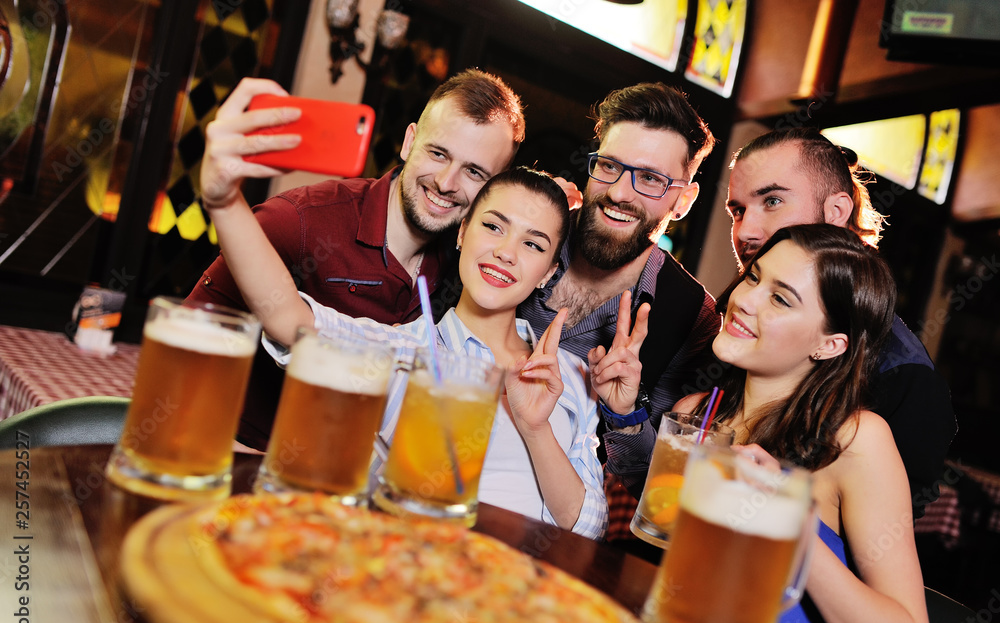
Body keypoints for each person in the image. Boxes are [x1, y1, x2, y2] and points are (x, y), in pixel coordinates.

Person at [210, 165, 618, 539]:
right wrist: (225, 201)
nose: (506, 252)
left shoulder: (570, 373)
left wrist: (536, 428)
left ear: (548, 272)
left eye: (533, 244)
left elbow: (586, 526)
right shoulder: (407, 352)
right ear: (461, 233)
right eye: (494, 227)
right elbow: (289, 322)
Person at [189, 70, 528, 448]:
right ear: (409, 141)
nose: (447, 183)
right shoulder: (300, 220)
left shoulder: (470, 260)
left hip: (345, 472)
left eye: (474, 172)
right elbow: (191, 333)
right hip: (233, 448)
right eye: (438, 153)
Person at [678, 224, 929, 623]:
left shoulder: (856, 439)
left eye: (780, 298)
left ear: (829, 345)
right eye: (754, 277)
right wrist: (625, 418)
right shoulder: (696, 413)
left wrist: (791, 517)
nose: (744, 300)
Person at [518, 82, 719, 547]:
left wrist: (623, 413)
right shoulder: (524, 233)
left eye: (650, 179)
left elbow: (656, 487)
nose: (619, 193)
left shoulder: (691, 317)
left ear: (682, 201)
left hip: (560, 537)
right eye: (609, 167)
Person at [726, 127, 956, 518]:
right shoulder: (730, 319)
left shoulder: (903, 376)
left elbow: (879, 546)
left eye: (773, 200)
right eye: (738, 211)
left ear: (836, 212)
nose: (745, 230)